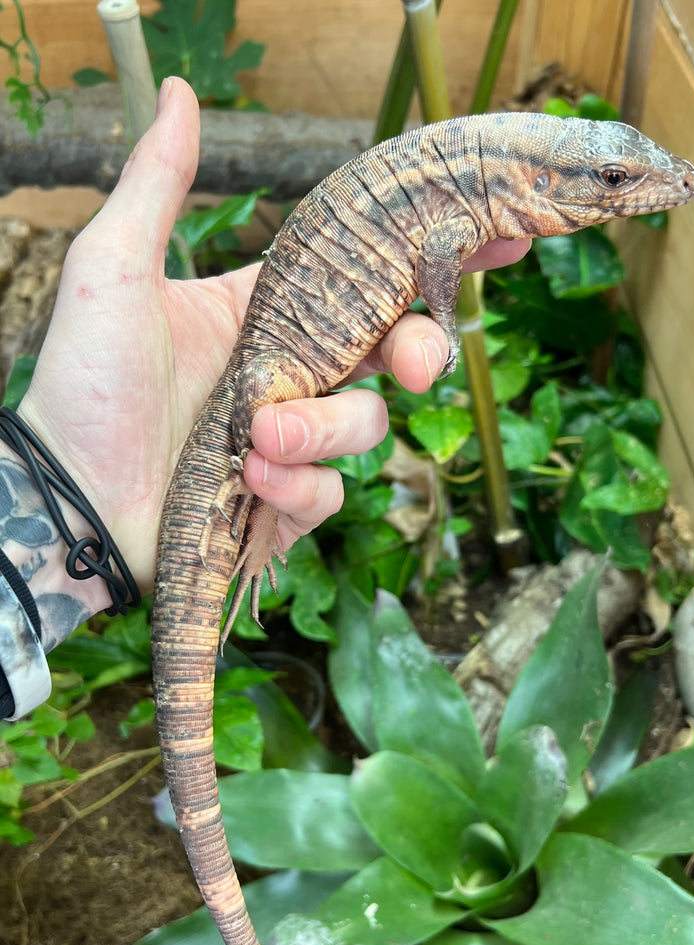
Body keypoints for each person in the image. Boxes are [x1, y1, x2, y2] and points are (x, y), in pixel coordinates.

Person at [0, 76, 530, 718]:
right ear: (538, 179)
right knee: (267, 447)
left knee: (276, 439)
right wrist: (444, 318)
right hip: (265, 372)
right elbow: (441, 249)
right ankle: (257, 518)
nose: (627, 196)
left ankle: (255, 511)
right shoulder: (462, 195)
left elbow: (443, 244)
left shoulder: (467, 187)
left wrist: (66, 495)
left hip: (272, 360)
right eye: (612, 181)